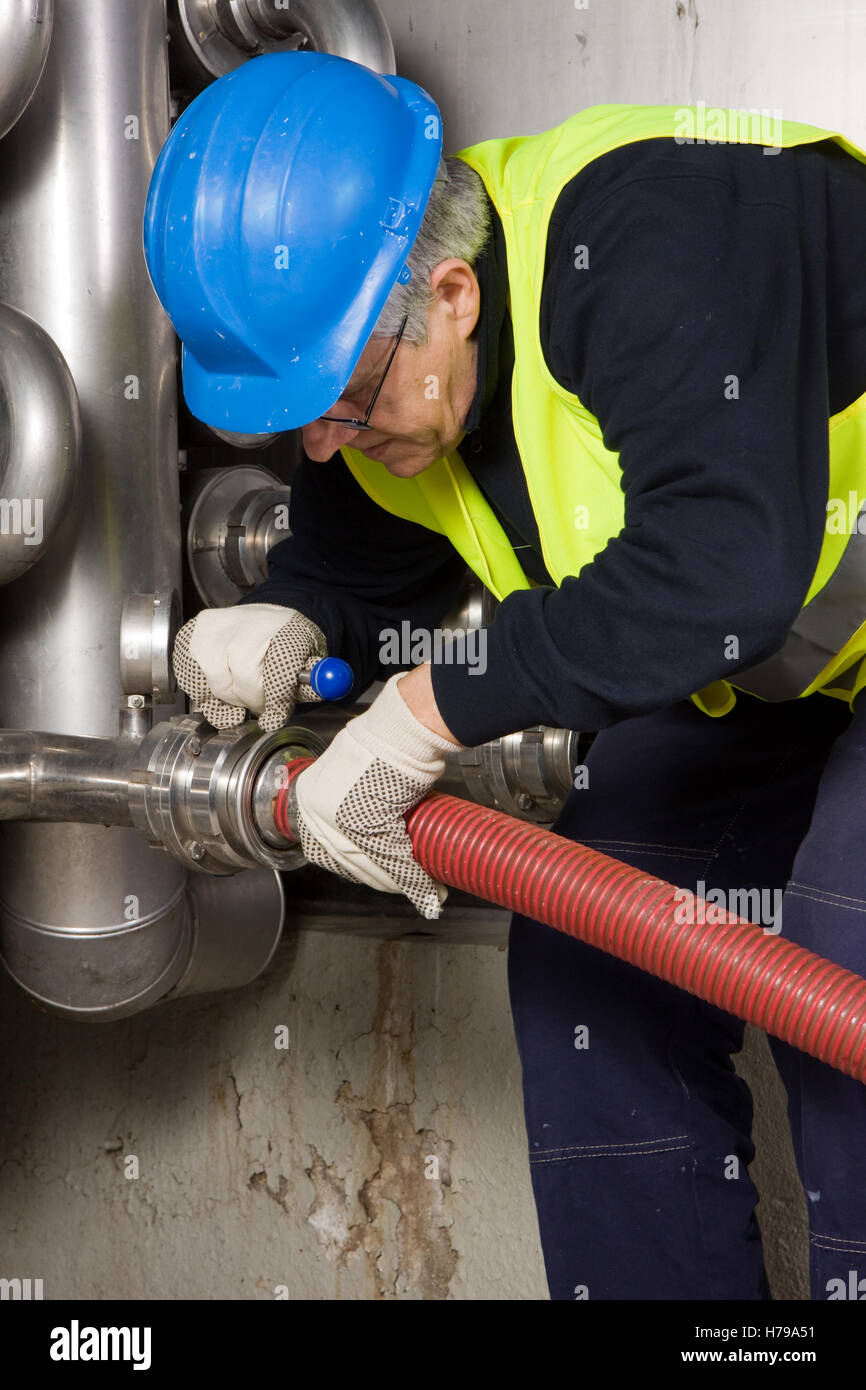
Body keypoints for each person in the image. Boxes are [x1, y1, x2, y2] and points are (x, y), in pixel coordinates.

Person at [144, 50, 866, 1300]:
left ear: (454, 295)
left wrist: (424, 713)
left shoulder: (652, 231)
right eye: (297, 418)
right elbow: (365, 585)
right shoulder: (382, 378)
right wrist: (290, 626)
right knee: (588, 935)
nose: (324, 444)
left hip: (760, 622)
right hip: (781, 673)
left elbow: (719, 577)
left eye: (345, 404)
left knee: (840, 953)